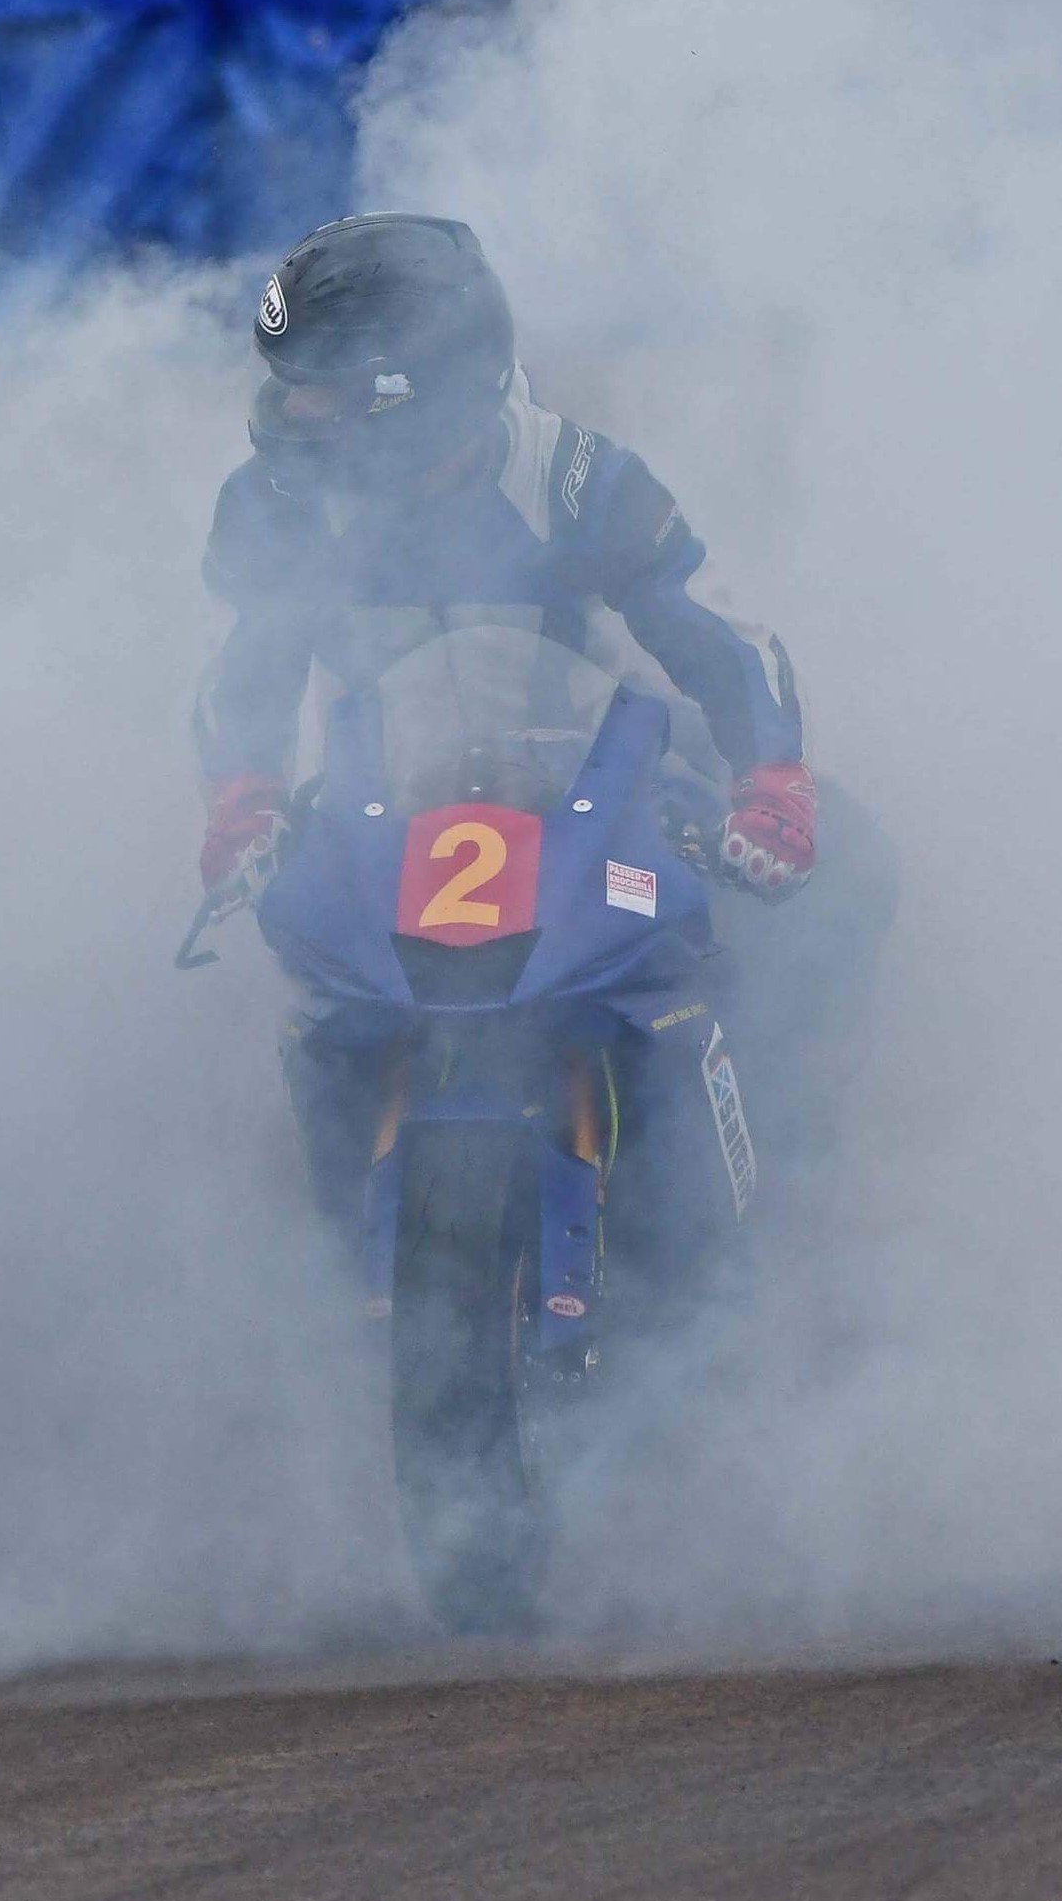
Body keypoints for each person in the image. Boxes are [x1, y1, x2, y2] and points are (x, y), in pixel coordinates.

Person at [196, 212, 869, 1285]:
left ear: (415, 399)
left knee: (855, 870)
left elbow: (720, 644)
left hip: (603, 772)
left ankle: (794, 1167)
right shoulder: (275, 504)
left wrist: (772, 783)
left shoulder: (578, 482)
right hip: (390, 785)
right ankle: (322, 1229)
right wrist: (243, 793)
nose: (289, 411)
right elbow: (249, 671)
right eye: (287, 384)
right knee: (287, 965)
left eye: (320, 390)